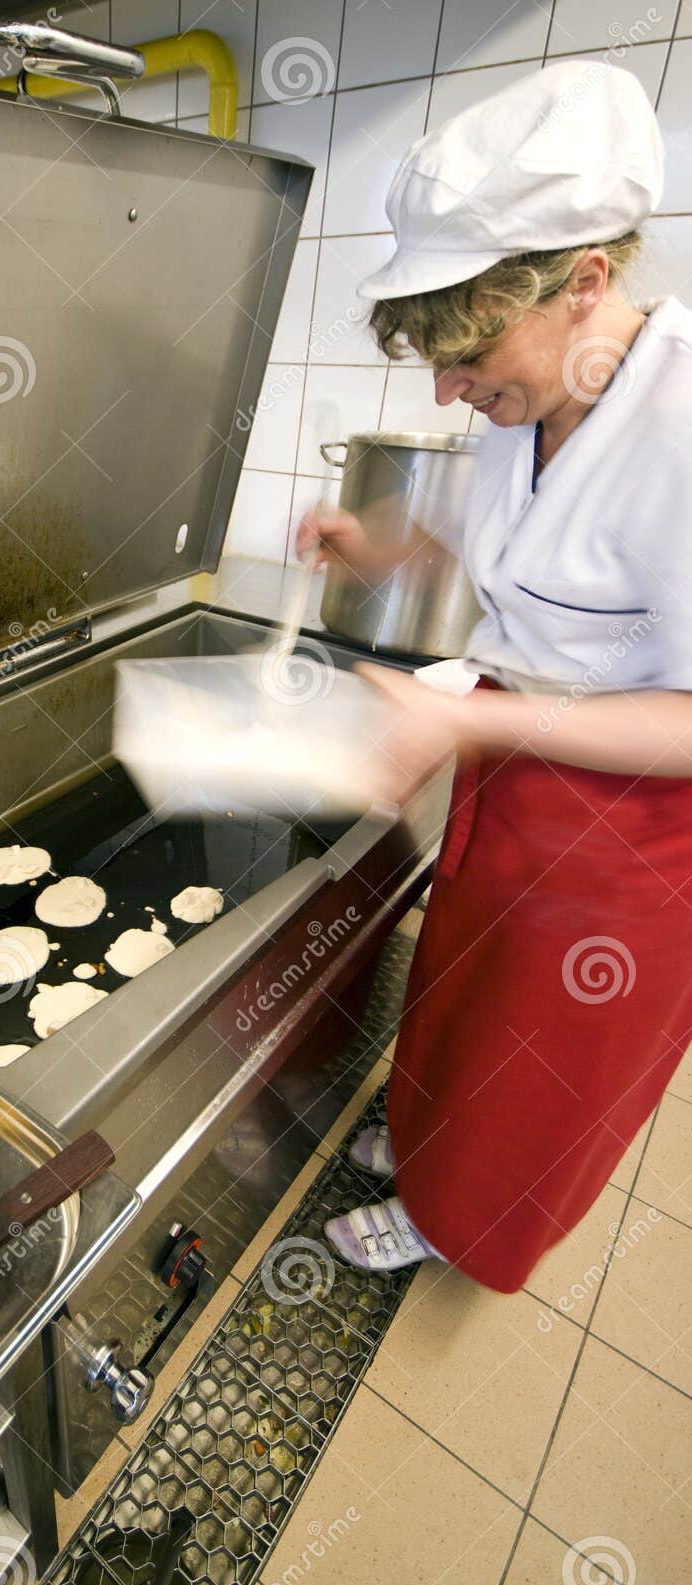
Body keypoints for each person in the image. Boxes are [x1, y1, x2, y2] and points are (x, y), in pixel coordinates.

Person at [297, 60, 692, 1292]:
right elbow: (488, 535)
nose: (446, 387)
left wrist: (474, 718)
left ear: (586, 283)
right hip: (511, 780)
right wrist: (375, 544)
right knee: (462, 1002)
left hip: (630, 833)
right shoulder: (534, 405)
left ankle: (456, 1223)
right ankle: (427, 1151)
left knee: (541, 1064)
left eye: (468, 350)